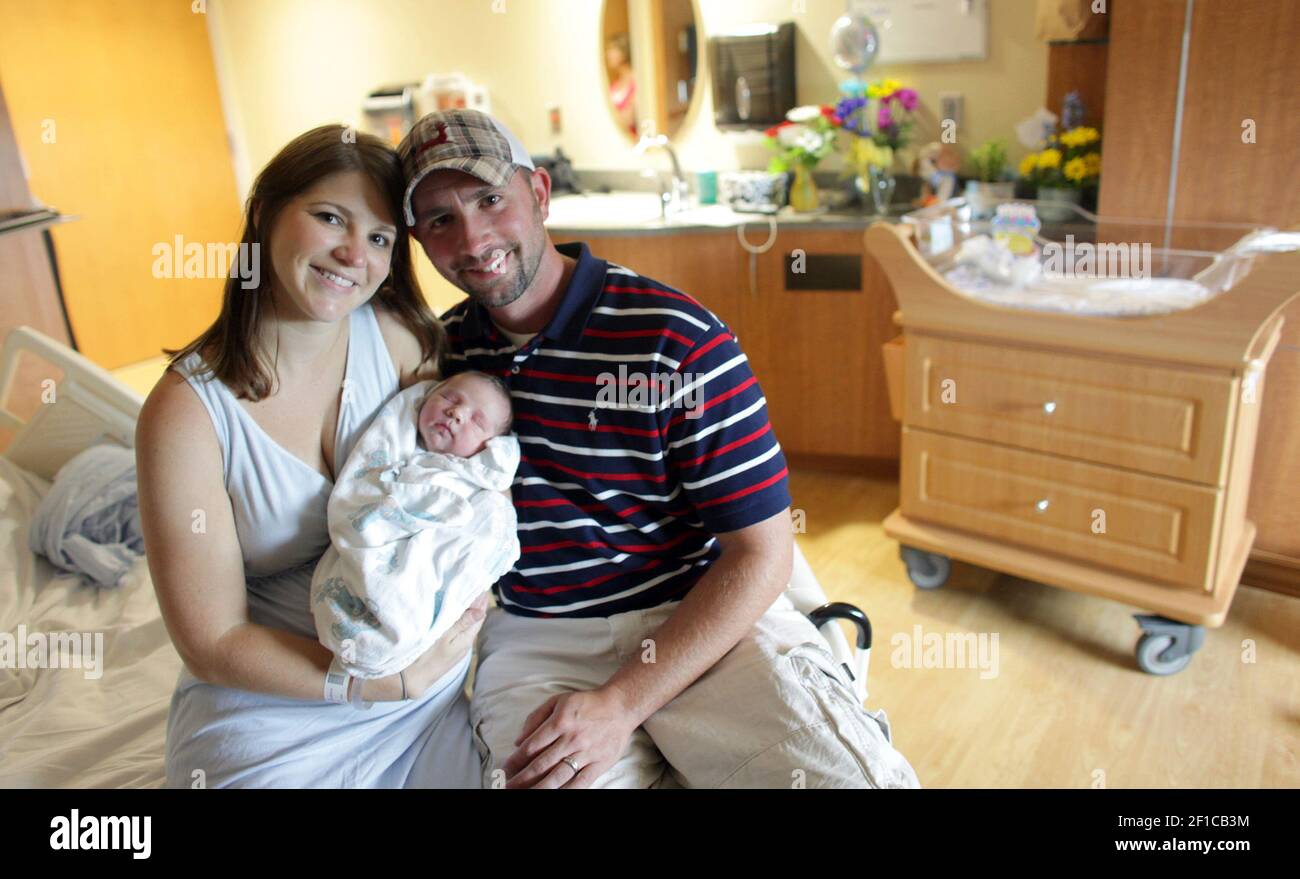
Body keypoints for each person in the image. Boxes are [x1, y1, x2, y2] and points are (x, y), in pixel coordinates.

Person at [397, 108, 921, 789]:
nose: (472, 236)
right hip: (540, 638)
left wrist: (621, 703)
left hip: (700, 617)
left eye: (489, 198)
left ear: (540, 192)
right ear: (418, 239)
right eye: (439, 219)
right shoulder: (438, 358)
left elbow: (763, 555)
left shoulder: (673, 340)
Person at [136, 124, 486, 788]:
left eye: (380, 238)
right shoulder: (186, 415)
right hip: (274, 710)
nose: (355, 253)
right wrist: (375, 683)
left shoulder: (402, 342)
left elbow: (463, 489)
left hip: (420, 703)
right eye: (330, 218)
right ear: (266, 213)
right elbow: (212, 643)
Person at [311, 370, 520, 681]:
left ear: (487, 448)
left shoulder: (472, 481)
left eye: (477, 421)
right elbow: (357, 499)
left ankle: (394, 630)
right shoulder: (398, 443)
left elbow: (484, 534)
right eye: (450, 397)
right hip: (379, 541)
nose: (457, 413)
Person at [606, 32, 638, 138]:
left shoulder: (637, 82)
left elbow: (628, 119)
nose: (608, 54)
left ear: (624, 52)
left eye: (612, 49)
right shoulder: (614, 86)